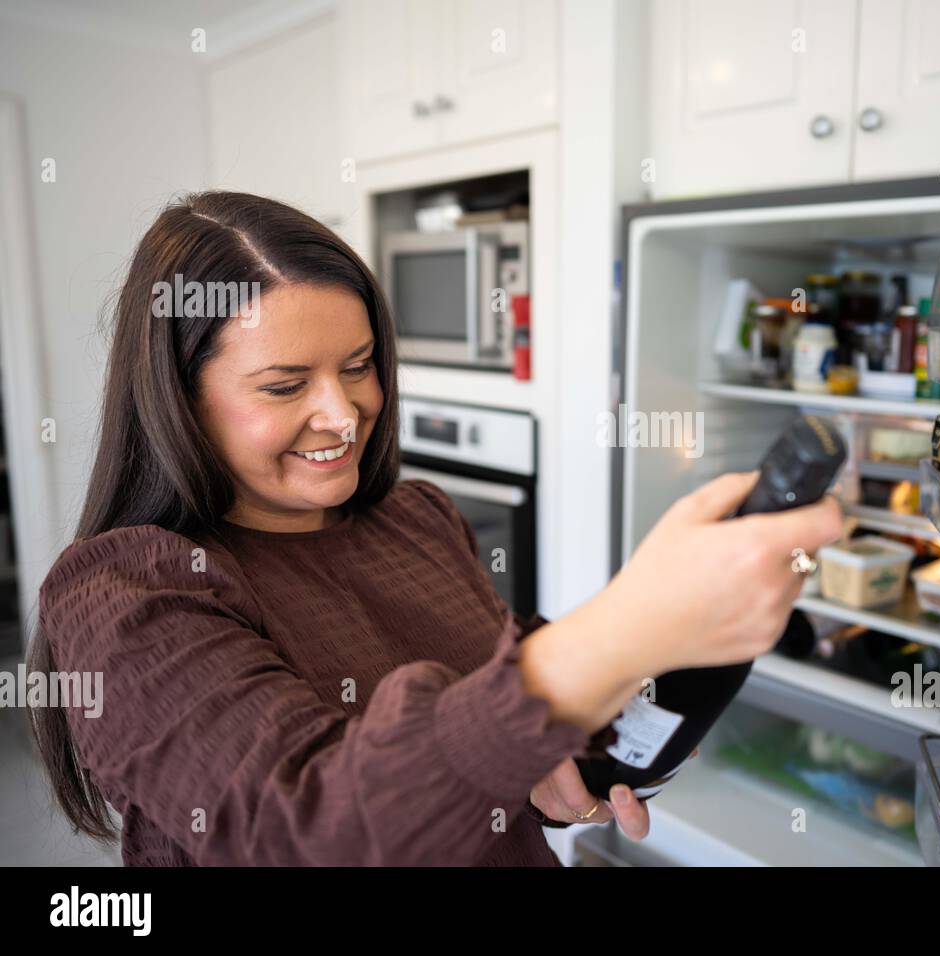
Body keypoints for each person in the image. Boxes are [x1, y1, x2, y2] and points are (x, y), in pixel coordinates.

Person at [28, 191, 843, 866]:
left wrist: (562, 755)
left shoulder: (413, 517)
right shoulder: (126, 590)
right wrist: (617, 633)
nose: (343, 414)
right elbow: (304, 833)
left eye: (357, 366)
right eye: (284, 386)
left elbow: (471, 738)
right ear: (178, 396)